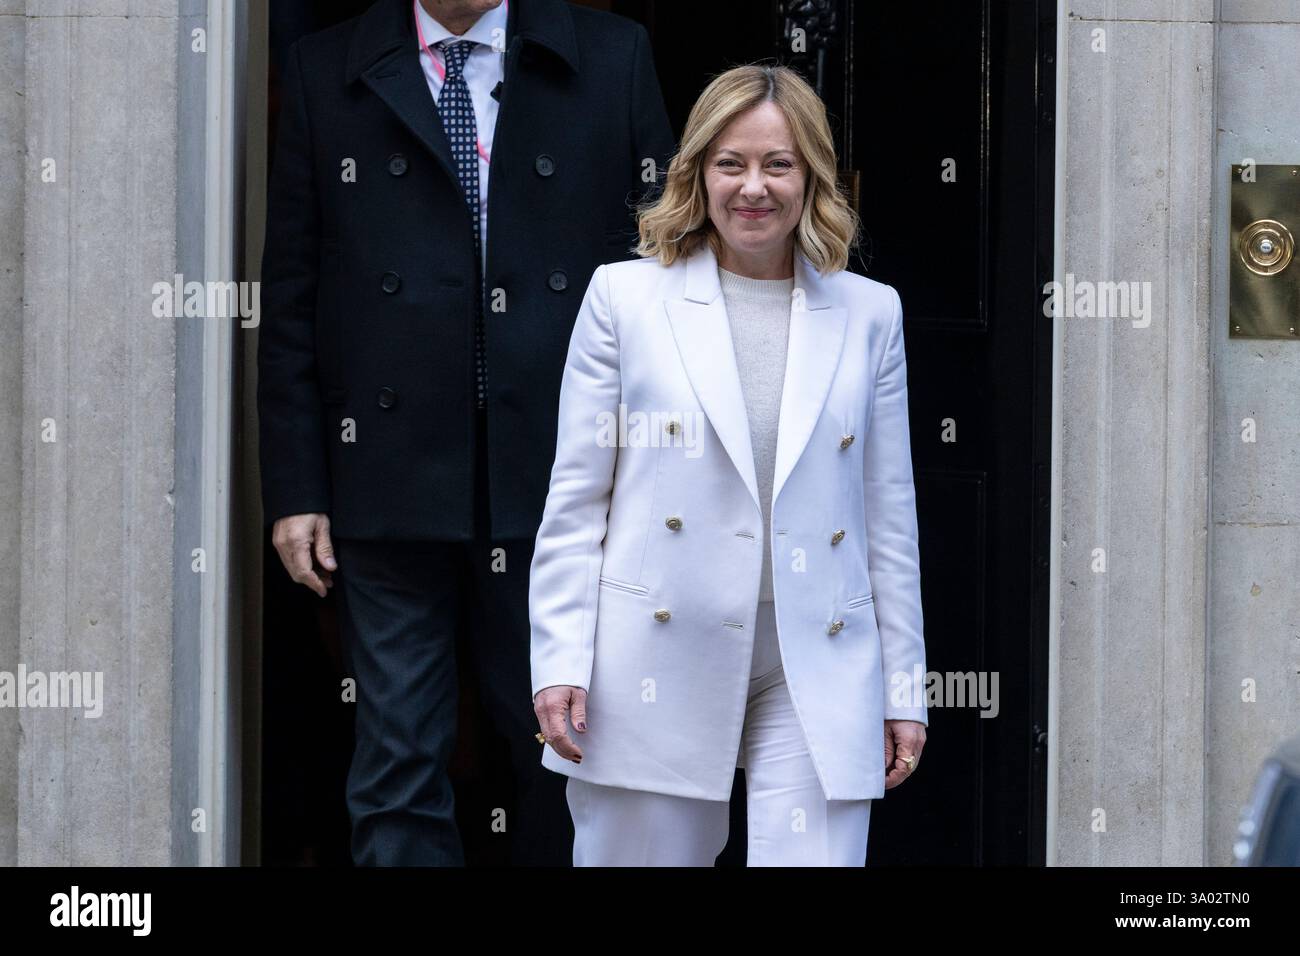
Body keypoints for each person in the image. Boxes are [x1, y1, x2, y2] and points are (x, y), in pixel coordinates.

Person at [257, 0, 674, 866]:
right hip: (387, 480)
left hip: (563, 477)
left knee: (563, 751)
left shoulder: (611, 55)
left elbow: (665, 284)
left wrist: (654, 469)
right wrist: (298, 487)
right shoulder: (323, 68)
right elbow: (294, 294)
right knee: (398, 760)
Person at [529, 64, 928, 866]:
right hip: (654, 649)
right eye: (731, 164)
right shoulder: (624, 299)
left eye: (778, 164)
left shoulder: (869, 311)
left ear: (810, 175)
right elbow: (577, 501)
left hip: (814, 653)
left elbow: (887, 514)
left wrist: (902, 686)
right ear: (698, 172)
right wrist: (559, 659)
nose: (754, 188)